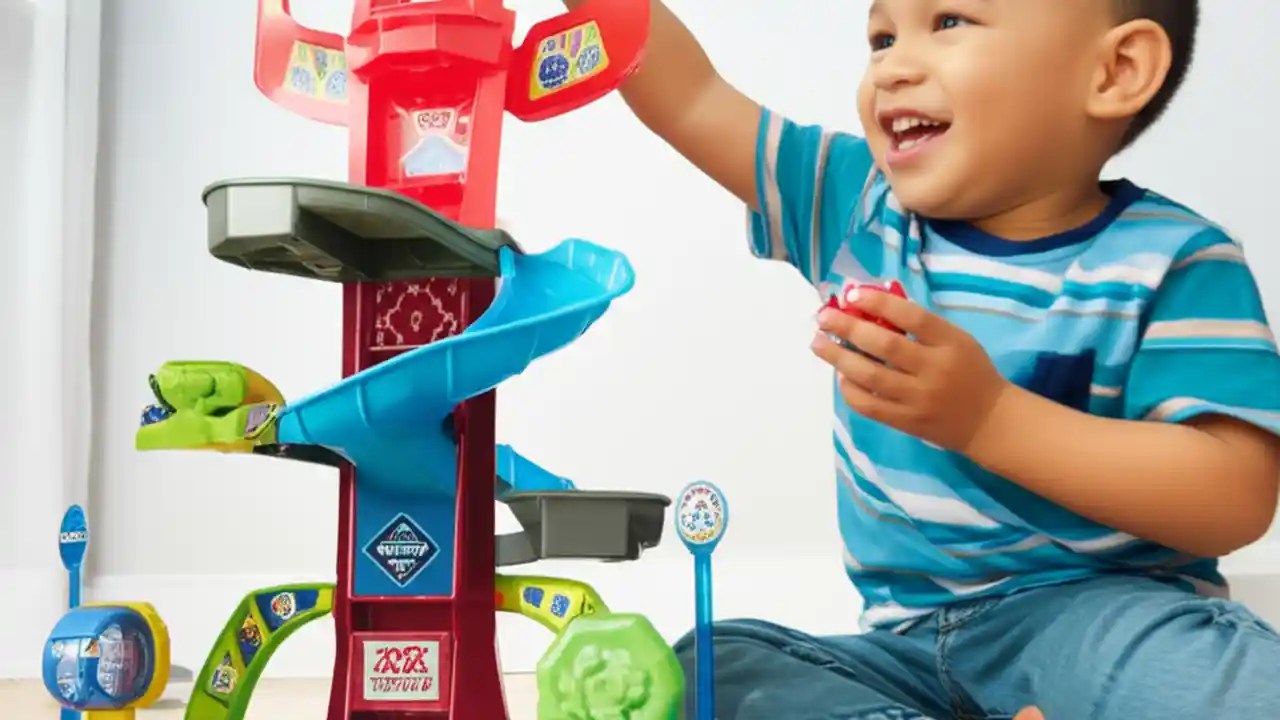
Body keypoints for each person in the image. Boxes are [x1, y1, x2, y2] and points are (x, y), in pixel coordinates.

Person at [559, 0, 1280, 717]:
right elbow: (690, 97)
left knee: (1222, 684)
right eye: (881, 37)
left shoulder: (1172, 260)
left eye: (948, 23)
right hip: (904, 648)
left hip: (1101, 624)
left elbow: (1235, 499)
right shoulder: (857, 207)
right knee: (716, 668)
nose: (892, 68)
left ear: (1116, 70)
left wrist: (988, 418)